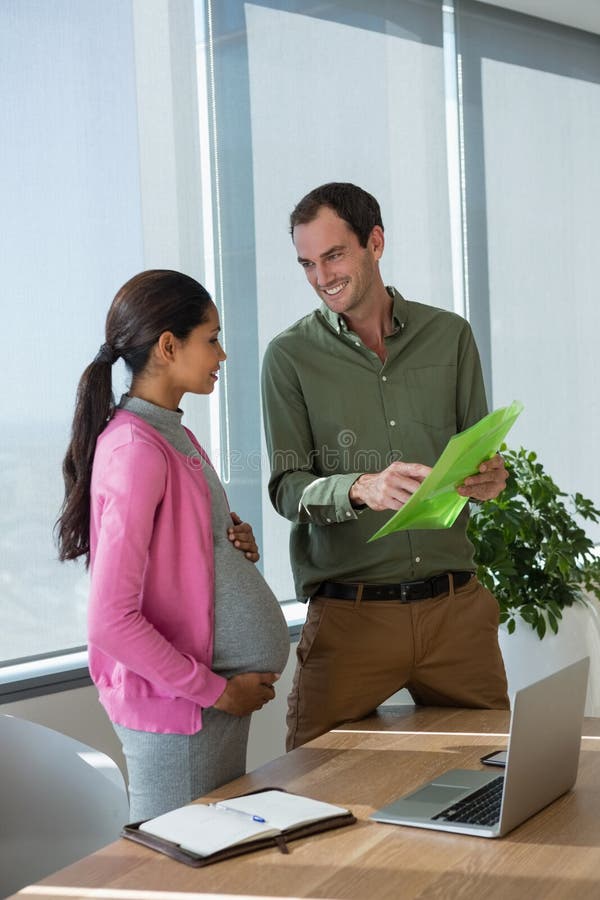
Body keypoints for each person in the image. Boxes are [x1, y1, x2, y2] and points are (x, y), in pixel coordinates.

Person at [261, 182, 509, 751]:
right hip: (352, 622)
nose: (322, 277)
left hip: (456, 616)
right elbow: (285, 488)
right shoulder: (289, 357)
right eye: (307, 263)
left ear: (374, 242)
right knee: (312, 793)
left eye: (334, 255)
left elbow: (479, 456)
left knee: (494, 780)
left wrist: (491, 480)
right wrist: (361, 488)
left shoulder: (451, 336)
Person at [57, 269, 289, 820]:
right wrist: (217, 692)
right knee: (177, 870)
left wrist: (226, 547)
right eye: (210, 339)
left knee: (215, 862)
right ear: (168, 346)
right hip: (184, 710)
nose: (222, 354)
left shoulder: (173, 434)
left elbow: (179, 552)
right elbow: (111, 620)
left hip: (206, 706)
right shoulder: (135, 448)